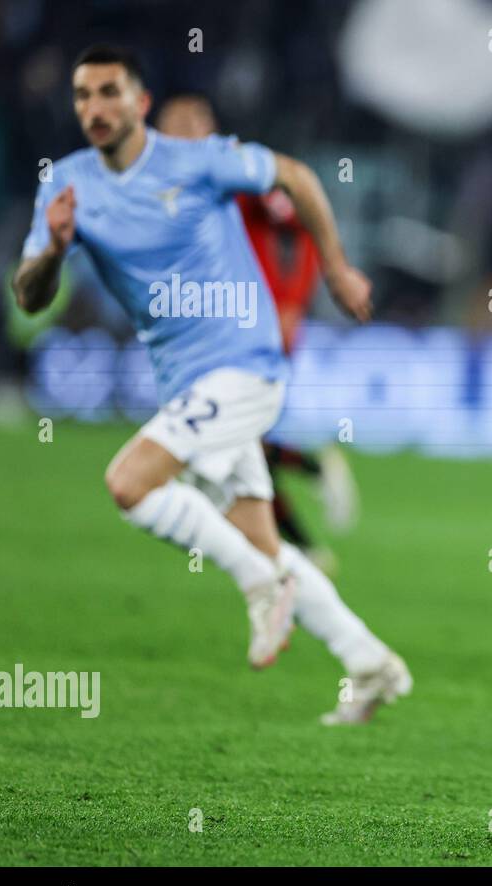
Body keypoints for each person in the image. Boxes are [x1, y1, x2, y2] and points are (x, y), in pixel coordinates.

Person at [12, 44, 409, 724]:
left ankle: (260, 586)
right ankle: (369, 661)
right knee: (263, 539)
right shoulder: (70, 186)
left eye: (109, 92)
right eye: (82, 95)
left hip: (247, 366)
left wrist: (337, 270)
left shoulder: (195, 160)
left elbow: (295, 176)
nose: (95, 108)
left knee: (129, 484)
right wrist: (51, 250)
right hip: (185, 385)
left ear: (139, 103)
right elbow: (28, 298)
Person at [155, 93, 360, 577]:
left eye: (190, 121)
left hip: (252, 325)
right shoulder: (163, 183)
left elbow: (303, 217)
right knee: (233, 444)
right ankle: (301, 530)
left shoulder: (235, 170)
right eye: (170, 123)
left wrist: (292, 300)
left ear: (209, 126)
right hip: (203, 327)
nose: (180, 131)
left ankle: (294, 543)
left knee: (224, 442)